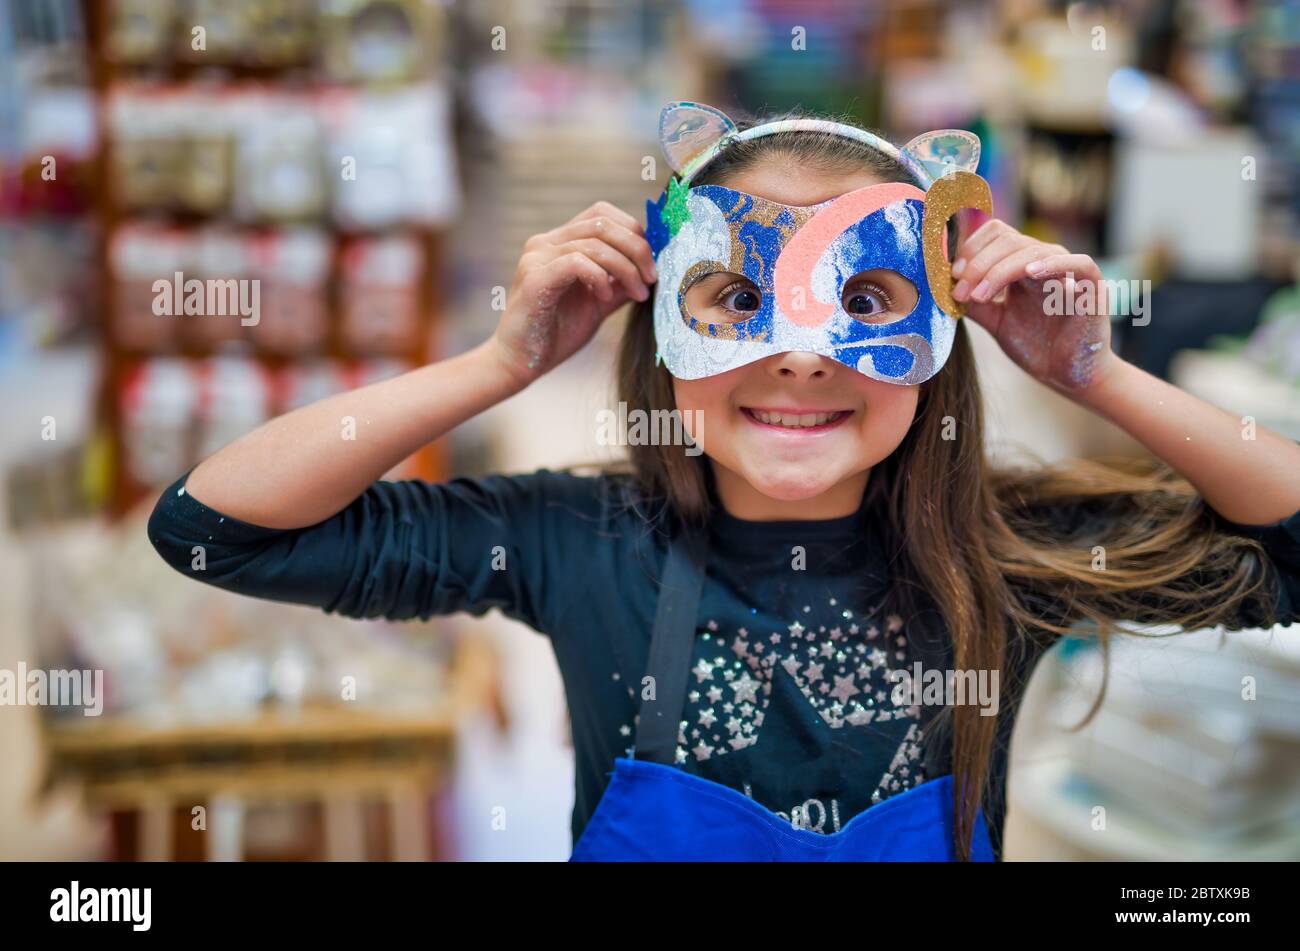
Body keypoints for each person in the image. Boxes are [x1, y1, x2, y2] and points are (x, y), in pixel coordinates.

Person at [149, 103, 1300, 861]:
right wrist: (497, 365)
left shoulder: (1010, 554)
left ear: (939, 344)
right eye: (738, 302)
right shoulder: (578, 537)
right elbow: (212, 531)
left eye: (863, 306)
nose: (799, 354)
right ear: (663, 334)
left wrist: (1095, 375)